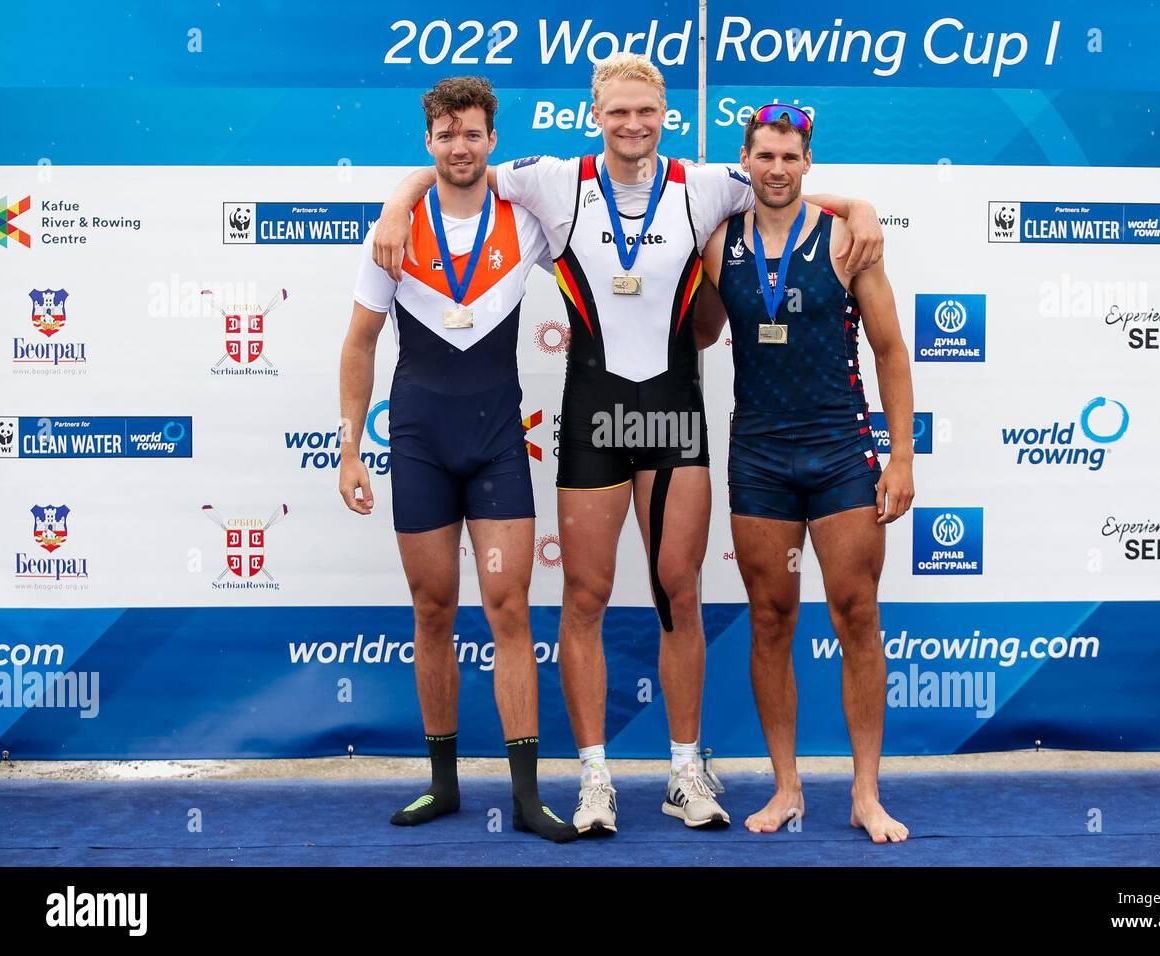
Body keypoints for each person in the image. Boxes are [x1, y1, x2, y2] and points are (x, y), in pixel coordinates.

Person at [370, 54, 886, 834]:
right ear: (595, 113)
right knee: (585, 600)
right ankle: (594, 779)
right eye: (618, 112)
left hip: (676, 418)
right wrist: (395, 204)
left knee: (680, 594)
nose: (633, 125)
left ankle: (685, 772)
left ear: (665, 113)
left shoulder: (707, 185)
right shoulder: (551, 180)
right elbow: (456, 162)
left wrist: (864, 206)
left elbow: (790, 191)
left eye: (646, 111)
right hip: (593, 420)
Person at [339, 76, 576, 843]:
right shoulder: (394, 235)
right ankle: (442, 786)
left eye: (472, 133)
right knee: (432, 610)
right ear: (429, 141)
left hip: (497, 443)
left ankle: (528, 797)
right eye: (446, 135)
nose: (460, 147)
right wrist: (349, 446)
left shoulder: (528, 220)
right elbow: (359, 344)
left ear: (492, 139)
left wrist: (398, 192)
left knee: (510, 611)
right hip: (419, 441)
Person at [696, 104, 914, 843]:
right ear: (746, 161)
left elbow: (889, 352)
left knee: (857, 616)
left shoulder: (850, 240)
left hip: (838, 451)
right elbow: (699, 331)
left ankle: (865, 792)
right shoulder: (720, 239)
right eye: (765, 156)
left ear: (807, 161)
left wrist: (903, 458)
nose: (777, 169)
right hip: (758, 455)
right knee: (770, 620)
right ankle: (786, 787)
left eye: (790, 156)